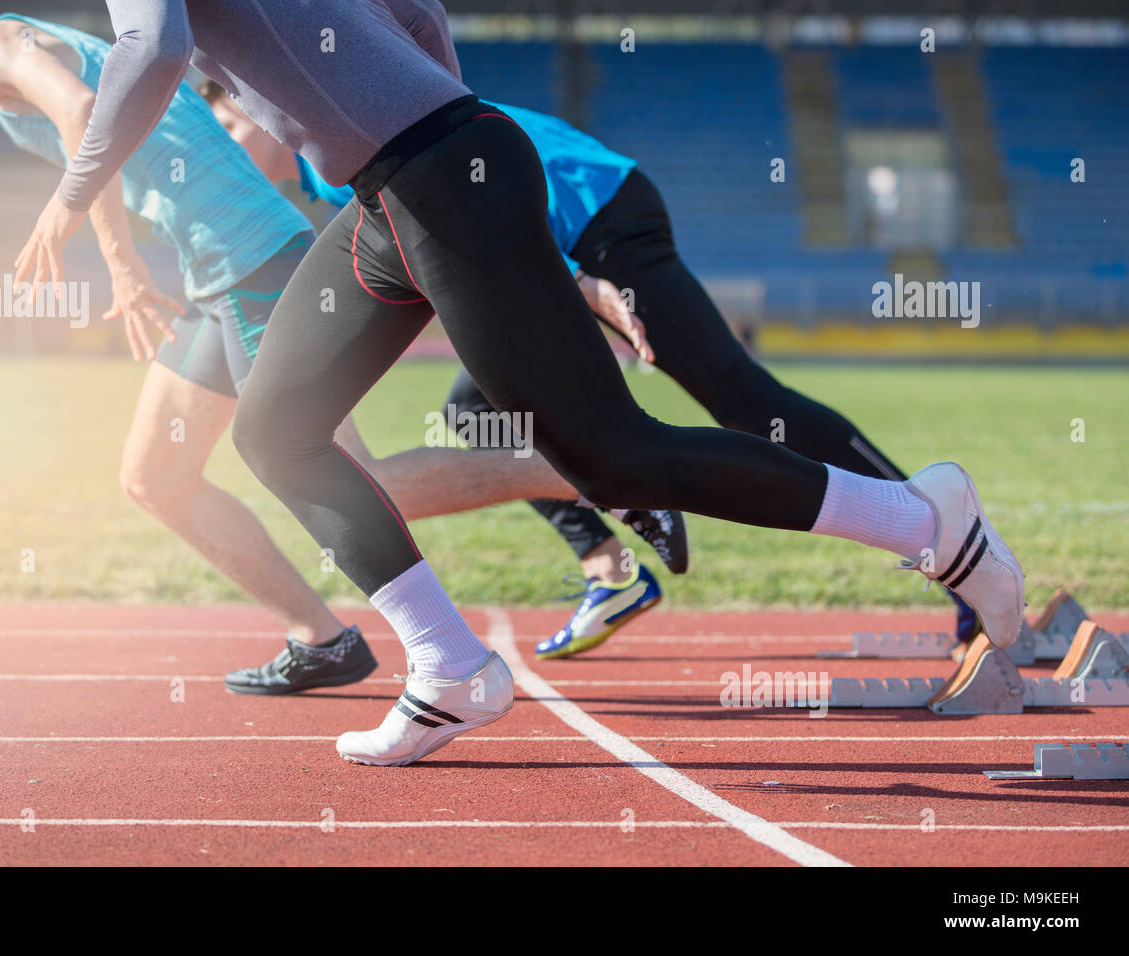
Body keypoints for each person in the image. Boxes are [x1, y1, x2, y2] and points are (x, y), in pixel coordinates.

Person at [10, 0, 1026, 767]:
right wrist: (437, 114)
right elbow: (414, 11)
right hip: (397, 194)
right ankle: (448, 666)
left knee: (615, 451)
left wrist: (72, 194)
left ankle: (923, 517)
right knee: (276, 429)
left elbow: (154, 51)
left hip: (435, 180)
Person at [0, 0, 681, 696]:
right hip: (220, 273)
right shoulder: (6, 64)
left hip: (251, 262)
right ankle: (322, 640)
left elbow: (76, 113)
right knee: (155, 477)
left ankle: (602, 475)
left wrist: (118, 262)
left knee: (361, 484)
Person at [201, 67, 982, 663]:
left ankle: (945, 540)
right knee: (480, 415)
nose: (232, 151)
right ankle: (610, 569)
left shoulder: (344, 125)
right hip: (544, 252)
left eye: (233, 127)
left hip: (598, 218)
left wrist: (580, 284)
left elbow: (481, 187)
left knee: (743, 395)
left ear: (268, 107)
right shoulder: (329, 161)